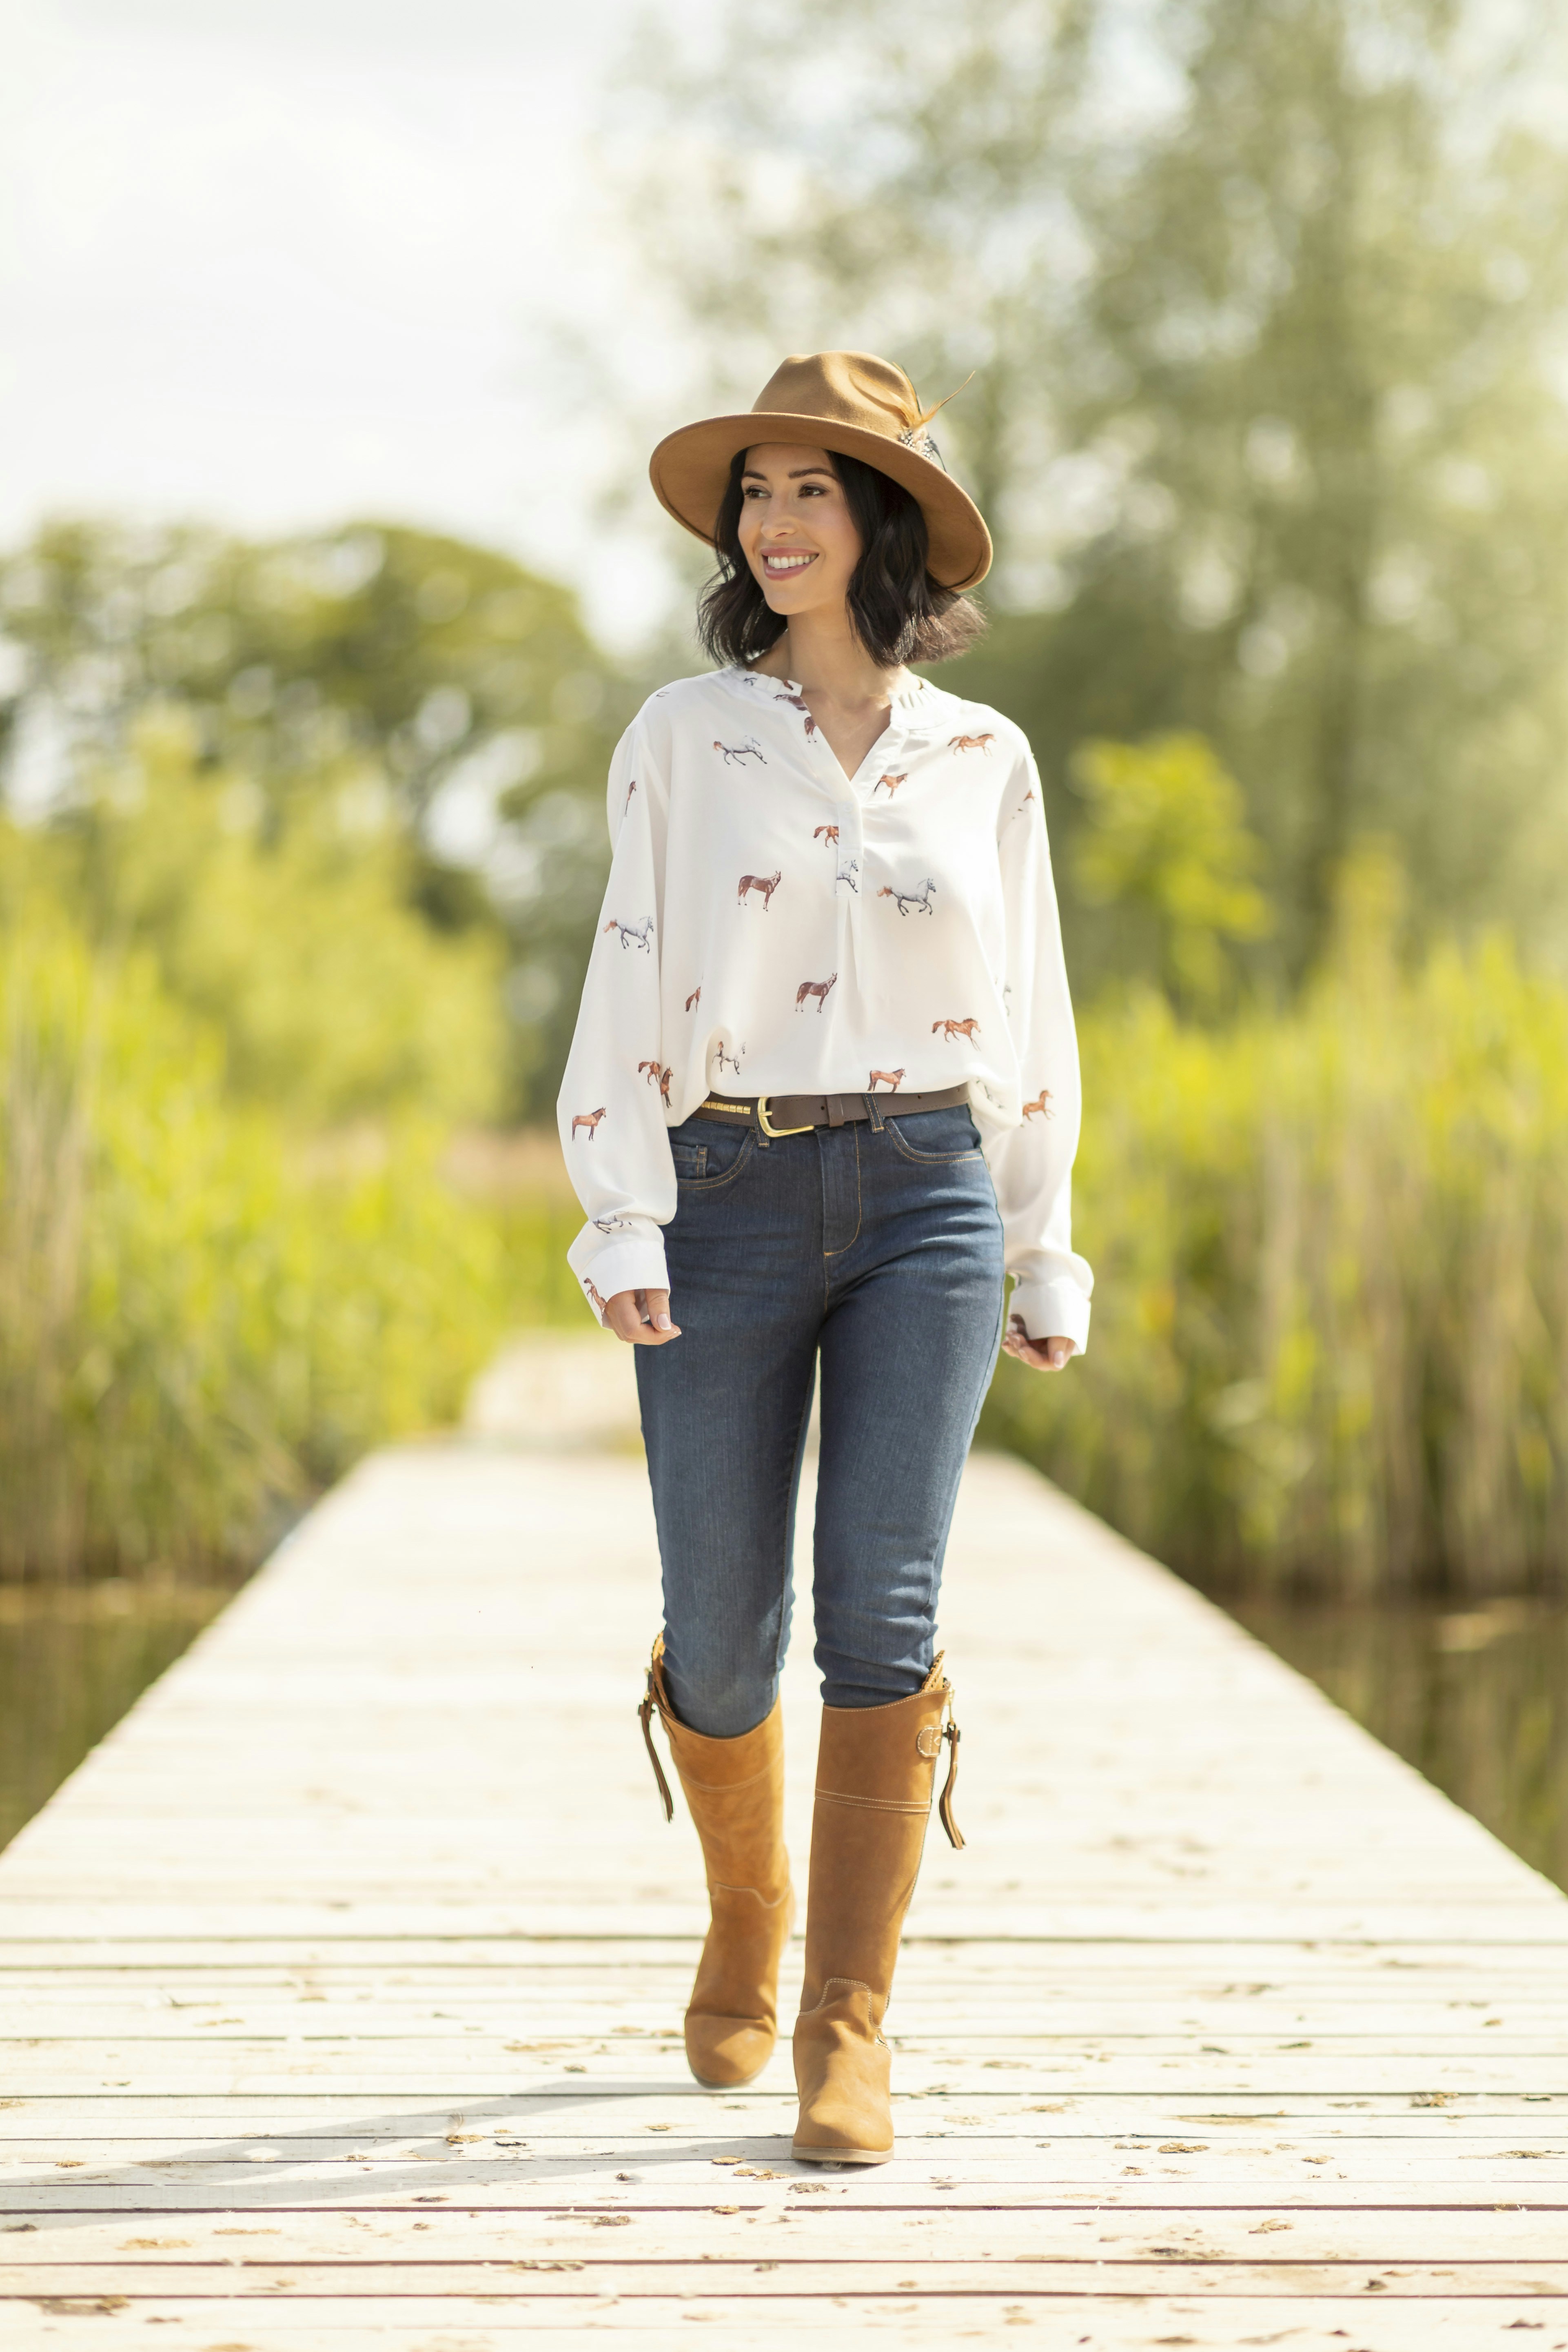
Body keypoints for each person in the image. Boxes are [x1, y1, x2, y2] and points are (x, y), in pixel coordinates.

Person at [557, 351, 1092, 2165]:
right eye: (754, 493)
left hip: (933, 1190)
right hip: (721, 1186)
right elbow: (629, 965)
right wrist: (618, 1203)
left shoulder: (982, 756)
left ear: (884, 521)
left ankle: (844, 2027)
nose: (774, 523)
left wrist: (1042, 1238)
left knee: (886, 1605)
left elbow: (1030, 1009)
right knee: (723, 1627)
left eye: (810, 489)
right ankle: (745, 1916)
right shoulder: (684, 736)